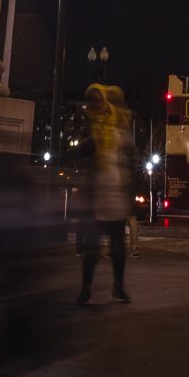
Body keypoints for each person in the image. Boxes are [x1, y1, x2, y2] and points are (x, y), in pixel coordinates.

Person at [76, 83, 135, 306]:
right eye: (91, 100)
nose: (95, 104)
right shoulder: (87, 123)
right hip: (96, 194)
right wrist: (90, 143)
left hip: (117, 193)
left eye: (98, 99)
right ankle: (86, 288)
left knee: (118, 247)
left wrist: (131, 189)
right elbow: (77, 150)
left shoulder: (119, 125)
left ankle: (118, 286)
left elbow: (130, 157)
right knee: (92, 247)